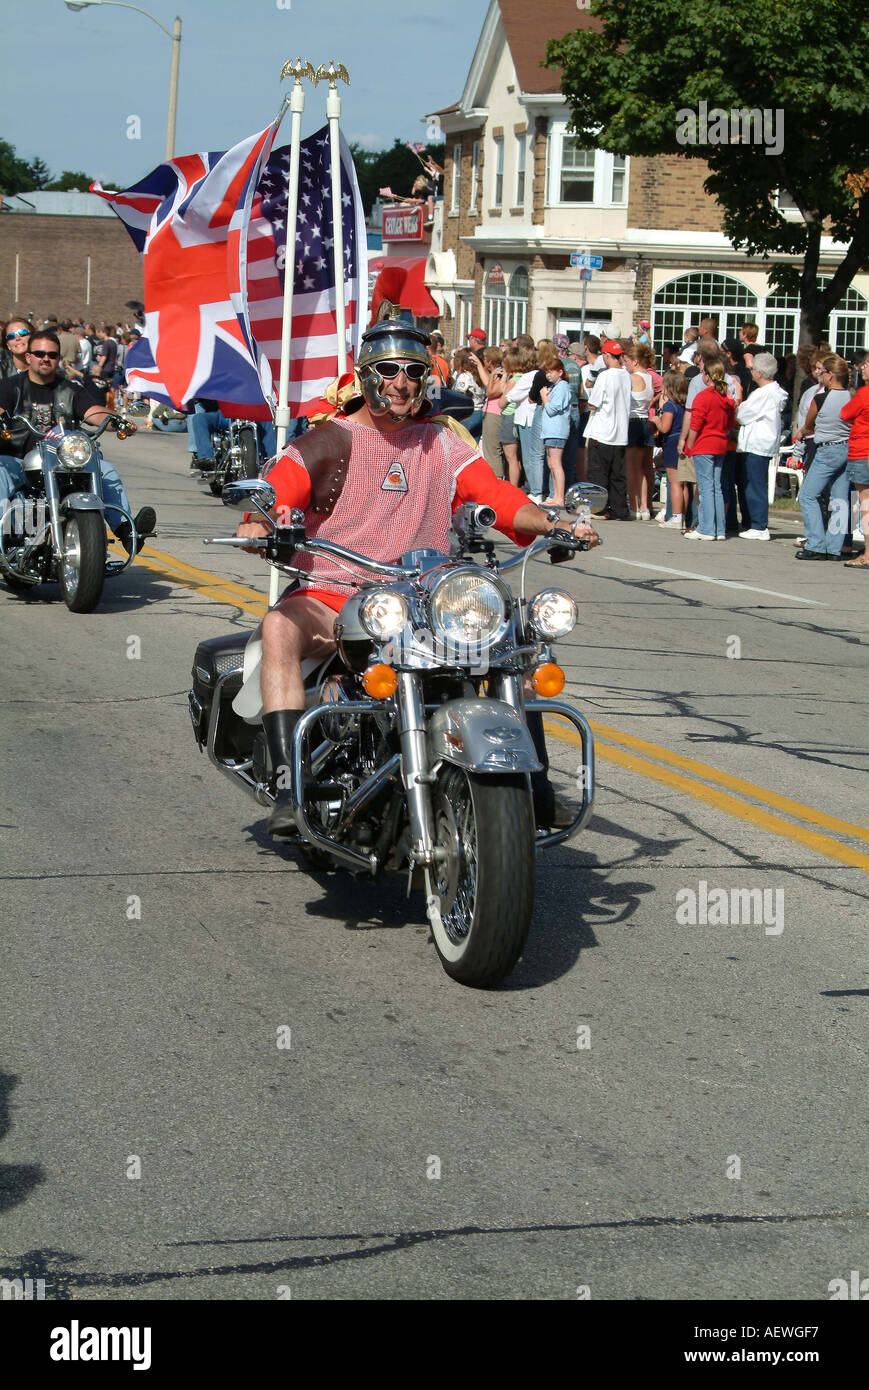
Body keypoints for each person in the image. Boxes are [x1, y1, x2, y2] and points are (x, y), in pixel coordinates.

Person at [235, 314, 599, 835]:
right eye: (388, 370)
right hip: (335, 592)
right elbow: (278, 488)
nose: (401, 382)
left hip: (427, 596)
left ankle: (534, 792)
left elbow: (496, 497)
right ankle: (291, 785)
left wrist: (553, 521)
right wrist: (257, 522)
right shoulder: (327, 440)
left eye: (412, 370)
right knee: (278, 627)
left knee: (514, 636)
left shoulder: (443, 443)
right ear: (366, 375)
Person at [0, 330, 155, 555]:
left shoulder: (70, 390)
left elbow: (94, 413)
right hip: (18, 459)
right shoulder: (9, 387)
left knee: (106, 470)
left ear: (58, 358)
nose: (46, 358)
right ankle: (3, 534)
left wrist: (118, 421)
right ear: (29, 357)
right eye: (40, 353)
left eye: (52, 355)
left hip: (63, 461)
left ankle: (127, 531)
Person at [795, 354, 852, 561]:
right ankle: (835, 548)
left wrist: (802, 431)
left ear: (830, 375)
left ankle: (817, 544)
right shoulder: (850, 396)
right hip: (847, 448)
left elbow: (809, 425)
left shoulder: (820, 398)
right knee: (840, 498)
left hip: (827, 450)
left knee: (808, 495)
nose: (819, 374)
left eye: (822, 371)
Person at [734, 352, 788, 540]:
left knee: (754, 484)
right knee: (751, 483)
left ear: (759, 372)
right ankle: (752, 522)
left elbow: (741, 414)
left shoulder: (763, 394)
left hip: (757, 444)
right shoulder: (773, 392)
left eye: (752, 369)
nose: (751, 372)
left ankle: (759, 525)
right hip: (759, 443)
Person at [683, 361, 736, 540]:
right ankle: (719, 529)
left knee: (706, 487)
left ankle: (706, 528)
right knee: (716, 487)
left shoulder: (703, 396)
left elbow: (695, 424)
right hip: (720, 443)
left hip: (704, 443)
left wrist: (689, 444)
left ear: (707, 375)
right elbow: (730, 423)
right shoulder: (726, 398)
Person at [584, 339, 630, 519]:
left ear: (607, 355)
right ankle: (619, 509)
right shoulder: (626, 375)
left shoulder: (605, 376)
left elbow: (593, 403)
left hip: (603, 431)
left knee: (598, 472)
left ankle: (598, 508)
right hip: (620, 432)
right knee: (618, 475)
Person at [840, 352, 869, 569]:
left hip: (863, 449)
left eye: (867, 365)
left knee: (865, 503)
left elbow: (845, 413)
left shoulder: (864, 393)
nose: (863, 368)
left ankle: (867, 554)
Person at [649, 369, 688, 529]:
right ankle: (683, 514)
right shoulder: (685, 405)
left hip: (672, 442)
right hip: (683, 442)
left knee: (674, 483)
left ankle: (676, 517)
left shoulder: (670, 406)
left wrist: (657, 420)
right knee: (683, 483)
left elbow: (665, 428)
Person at [622, 341, 655, 518]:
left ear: (635, 361)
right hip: (644, 421)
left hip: (633, 421)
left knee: (631, 467)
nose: (624, 364)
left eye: (626, 361)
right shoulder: (650, 377)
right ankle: (644, 506)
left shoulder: (633, 377)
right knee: (642, 467)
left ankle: (634, 506)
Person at [539, 356, 571, 506]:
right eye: (547, 372)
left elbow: (552, 409)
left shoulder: (563, 386)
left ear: (560, 372)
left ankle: (560, 497)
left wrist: (544, 397)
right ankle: (555, 496)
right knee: (551, 463)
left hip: (557, 431)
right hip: (550, 431)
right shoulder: (554, 387)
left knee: (556, 463)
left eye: (551, 372)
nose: (548, 375)